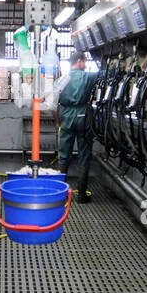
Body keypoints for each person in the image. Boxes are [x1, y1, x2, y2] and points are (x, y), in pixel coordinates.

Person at [55, 51, 94, 203]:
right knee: (84, 154)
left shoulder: (62, 79)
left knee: (64, 154)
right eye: (84, 62)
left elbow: (52, 103)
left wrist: (58, 120)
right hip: (83, 116)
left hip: (66, 116)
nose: (85, 65)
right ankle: (82, 195)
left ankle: (60, 195)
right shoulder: (88, 76)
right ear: (79, 61)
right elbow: (107, 74)